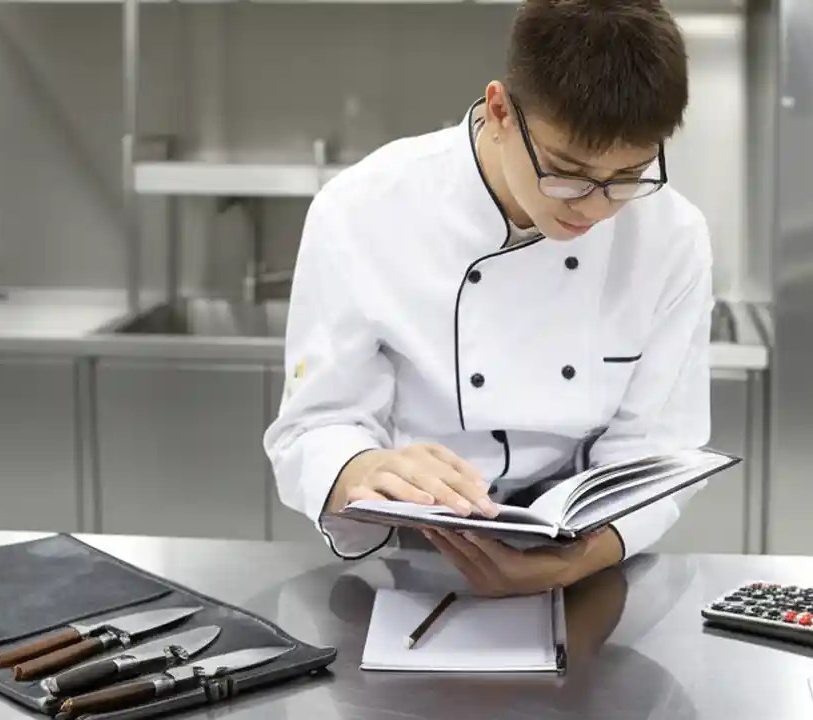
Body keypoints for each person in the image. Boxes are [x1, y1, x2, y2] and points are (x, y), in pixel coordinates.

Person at [264, 0, 713, 597]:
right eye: (566, 171)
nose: (594, 205)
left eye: (628, 176)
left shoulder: (671, 236)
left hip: (584, 553)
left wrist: (573, 562)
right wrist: (361, 468)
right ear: (501, 110)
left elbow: (658, 452)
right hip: (412, 556)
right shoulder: (363, 208)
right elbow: (316, 425)